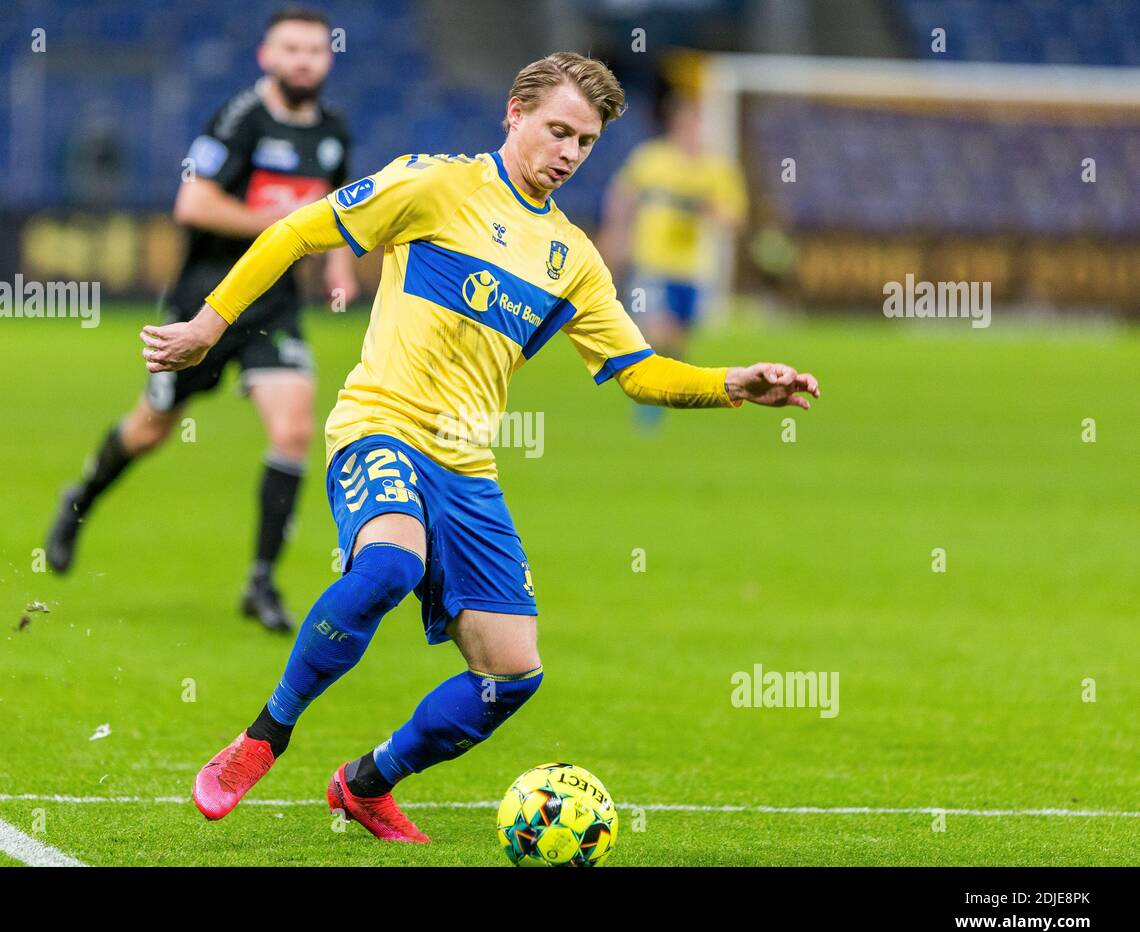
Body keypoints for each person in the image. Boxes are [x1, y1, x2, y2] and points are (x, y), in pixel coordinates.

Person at [142, 53, 819, 843]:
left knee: (512, 674)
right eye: (558, 130)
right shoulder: (435, 184)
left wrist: (732, 383)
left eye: (586, 142)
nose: (568, 152)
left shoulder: (574, 261)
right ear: (515, 114)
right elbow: (297, 230)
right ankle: (264, 737)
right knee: (390, 564)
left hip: (467, 467)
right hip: (379, 427)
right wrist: (207, 325)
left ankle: (367, 782)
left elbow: (637, 372)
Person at [44, 6, 357, 632]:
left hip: (275, 307)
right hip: (204, 305)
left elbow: (340, 213)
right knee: (152, 427)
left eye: (315, 50)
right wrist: (284, 229)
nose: (303, 60)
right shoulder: (239, 119)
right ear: (266, 57)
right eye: (290, 49)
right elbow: (193, 200)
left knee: (294, 428)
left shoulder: (333, 133)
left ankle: (261, 581)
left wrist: (340, 269)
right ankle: (80, 499)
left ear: (328, 58)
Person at [599, 88, 747, 428]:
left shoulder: (716, 170)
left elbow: (735, 219)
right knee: (658, 329)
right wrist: (615, 234)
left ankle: (669, 389)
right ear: (676, 125)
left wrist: (712, 211)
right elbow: (622, 196)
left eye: (699, 126)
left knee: (678, 339)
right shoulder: (651, 160)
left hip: (693, 268)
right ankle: (648, 404)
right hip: (653, 262)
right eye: (689, 125)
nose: (694, 132)